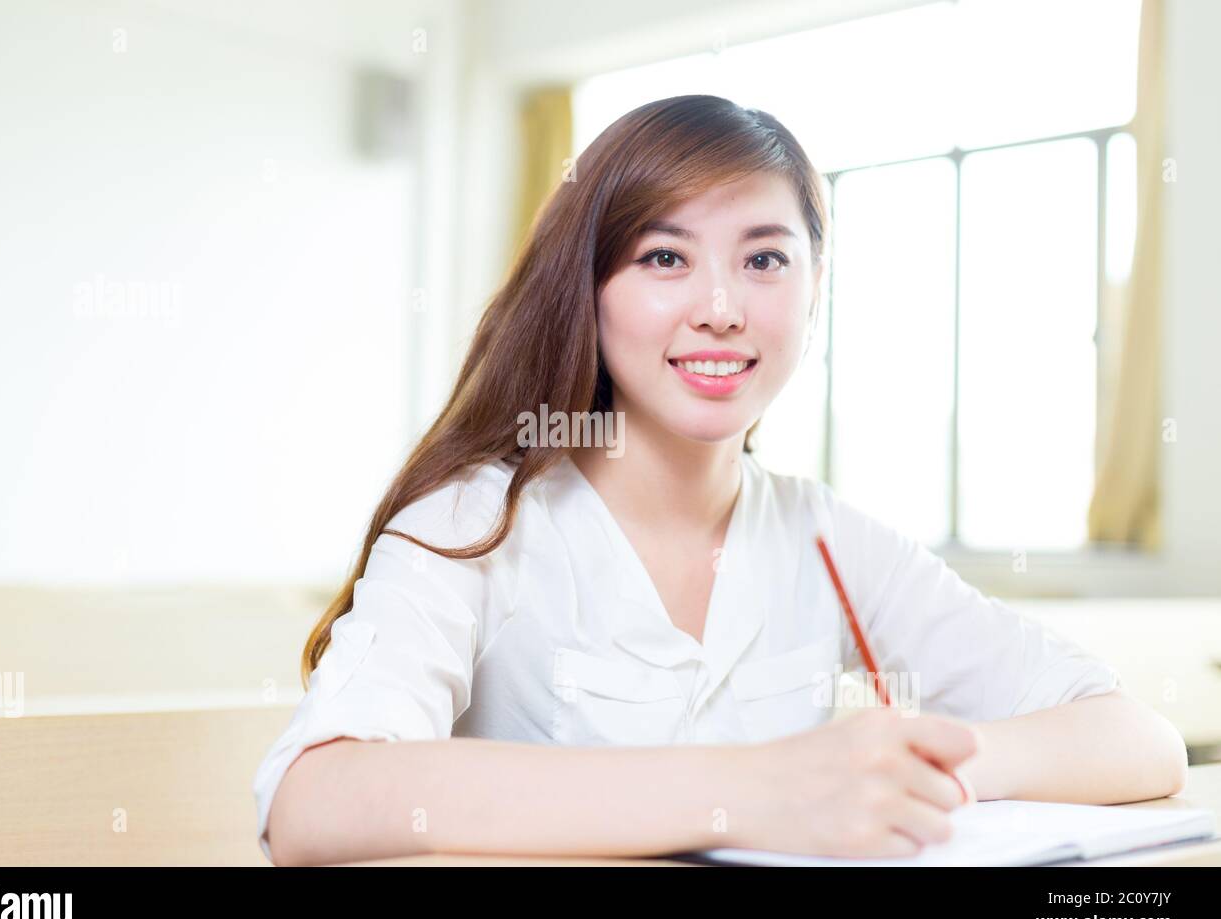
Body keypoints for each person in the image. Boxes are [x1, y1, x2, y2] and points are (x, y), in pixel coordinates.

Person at [254, 94, 1187, 866]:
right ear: (587, 291)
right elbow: (316, 799)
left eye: (764, 260)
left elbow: (1137, 740)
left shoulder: (825, 536)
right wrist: (758, 789)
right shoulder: (476, 520)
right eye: (665, 258)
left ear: (814, 292)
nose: (720, 308)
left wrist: (898, 771)